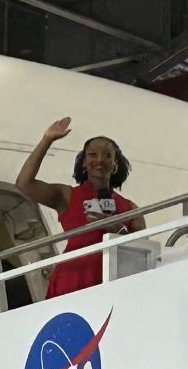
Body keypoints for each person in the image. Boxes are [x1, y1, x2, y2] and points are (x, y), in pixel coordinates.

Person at [14, 118, 147, 298]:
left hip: (114, 282)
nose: (100, 160)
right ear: (84, 162)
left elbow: (143, 253)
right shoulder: (67, 195)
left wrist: (118, 230)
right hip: (73, 278)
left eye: (108, 155)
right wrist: (47, 140)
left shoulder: (131, 208)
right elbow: (24, 184)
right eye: (92, 155)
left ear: (116, 164)